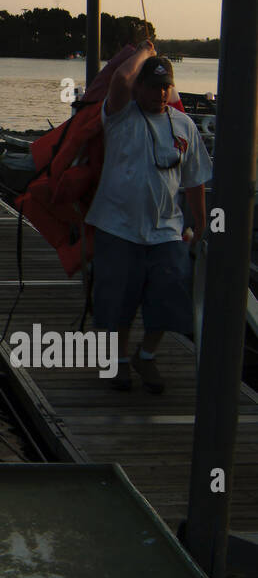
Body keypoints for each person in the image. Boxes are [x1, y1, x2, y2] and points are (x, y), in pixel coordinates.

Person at [86, 40, 212, 394]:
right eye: (152, 85)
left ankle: (147, 353)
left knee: (170, 296)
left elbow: (195, 180)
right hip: (118, 226)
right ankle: (121, 362)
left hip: (167, 231)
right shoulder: (120, 114)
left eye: (164, 87)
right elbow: (120, 80)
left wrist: (200, 224)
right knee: (119, 301)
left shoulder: (185, 125)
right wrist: (145, 50)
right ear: (139, 87)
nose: (159, 93)